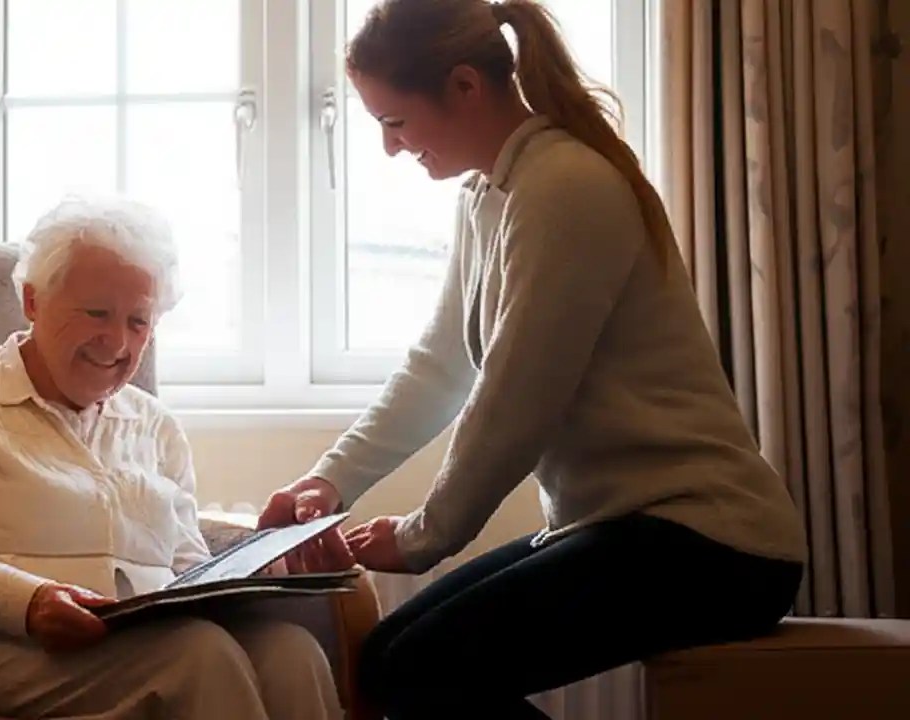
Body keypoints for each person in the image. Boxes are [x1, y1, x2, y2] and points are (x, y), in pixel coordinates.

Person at [257, 1, 807, 718]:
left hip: (712, 544)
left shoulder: (566, 187)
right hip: (624, 527)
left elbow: (519, 397)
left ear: (463, 86)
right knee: (389, 659)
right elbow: (440, 366)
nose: (390, 148)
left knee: (415, 669)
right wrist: (330, 480)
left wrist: (425, 533)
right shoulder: (491, 196)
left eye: (394, 122)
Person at [0, 193, 341, 720]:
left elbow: (188, 563)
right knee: (196, 656)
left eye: (139, 322)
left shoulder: (156, 425)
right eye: (97, 313)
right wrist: (29, 601)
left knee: (291, 651)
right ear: (33, 300)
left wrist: (271, 570)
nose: (117, 342)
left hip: (143, 638)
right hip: (11, 644)